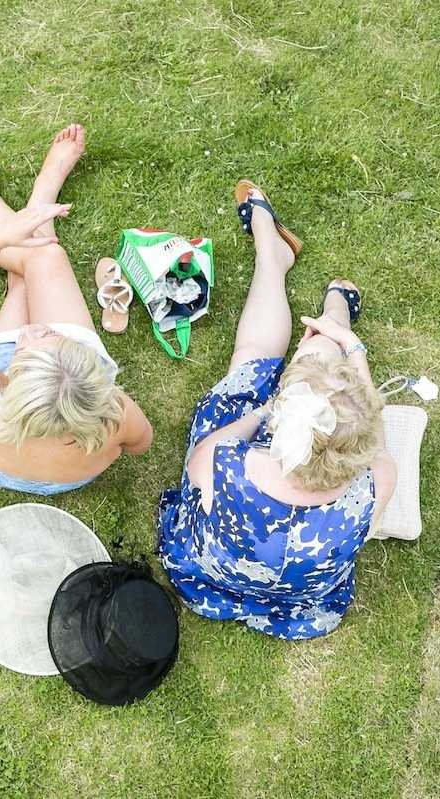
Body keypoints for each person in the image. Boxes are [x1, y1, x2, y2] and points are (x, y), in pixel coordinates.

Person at [158, 181, 396, 640]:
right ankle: (336, 321)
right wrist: (352, 351)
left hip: (211, 580)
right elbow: (376, 432)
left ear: (283, 422)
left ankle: (274, 255)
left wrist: (263, 408)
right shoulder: (373, 485)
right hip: (302, 606)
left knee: (251, 358)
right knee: (326, 358)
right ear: (359, 449)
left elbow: (202, 458)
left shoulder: (227, 462)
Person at [0, 126, 153, 495]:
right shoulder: (111, 411)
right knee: (41, 260)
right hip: (69, 463)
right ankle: (23, 206)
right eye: (53, 338)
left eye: (27, 350)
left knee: (31, 271)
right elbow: (140, 445)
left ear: (10, 387)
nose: (32, 330)